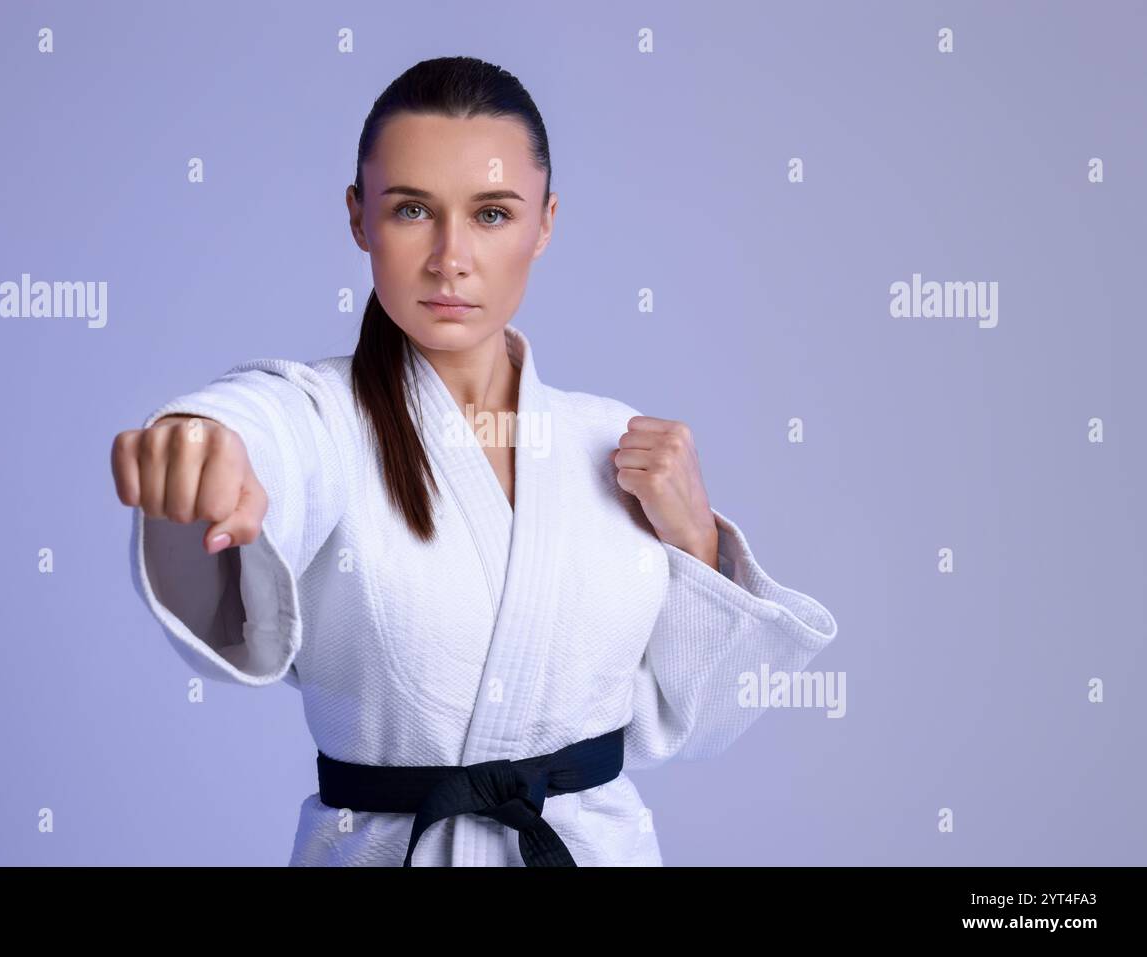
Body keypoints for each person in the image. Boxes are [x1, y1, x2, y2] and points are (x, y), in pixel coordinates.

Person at [111, 55, 838, 866]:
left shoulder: (614, 441)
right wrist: (209, 438)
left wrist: (696, 541)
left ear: (545, 223)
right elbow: (268, 423)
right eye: (411, 209)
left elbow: (698, 722)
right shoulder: (325, 420)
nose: (449, 257)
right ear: (358, 218)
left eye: (491, 214)